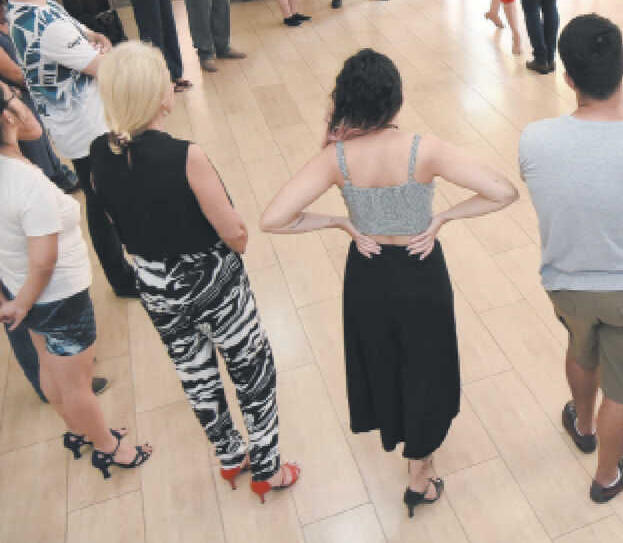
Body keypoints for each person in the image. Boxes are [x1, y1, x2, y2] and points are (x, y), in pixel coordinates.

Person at [260, 48, 518, 517]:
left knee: (384, 359)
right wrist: (442, 218)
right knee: (426, 366)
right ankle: (421, 472)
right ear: (394, 101)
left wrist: (339, 223)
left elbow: (273, 219)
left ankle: (404, 442)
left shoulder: (336, 158)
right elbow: (503, 191)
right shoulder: (425, 148)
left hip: (369, 272)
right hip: (420, 269)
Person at [89, 41, 299, 501]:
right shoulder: (186, 156)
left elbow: (109, 220)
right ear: (156, 95)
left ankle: (230, 458)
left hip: (156, 285)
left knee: (195, 373)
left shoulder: (97, 155)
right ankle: (268, 469)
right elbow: (236, 234)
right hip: (214, 284)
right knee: (251, 371)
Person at [519, 14, 623, 503]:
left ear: (568, 78)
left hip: (565, 283)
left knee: (580, 347)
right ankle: (607, 475)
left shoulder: (534, 139)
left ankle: (584, 424)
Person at [0, 80, 151, 479]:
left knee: (50, 370)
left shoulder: (14, 171)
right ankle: (108, 446)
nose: (24, 103)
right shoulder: (26, 184)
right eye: (15, 98)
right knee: (77, 382)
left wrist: (17, 301)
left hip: (25, 291)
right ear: (7, 118)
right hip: (57, 297)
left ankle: (78, 431)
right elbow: (45, 259)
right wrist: (23, 302)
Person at [1, 0, 138, 299]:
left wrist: (96, 36)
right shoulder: (47, 27)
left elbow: (87, 34)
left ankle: (125, 268)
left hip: (76, 121)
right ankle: (122, 277)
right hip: (86, 127)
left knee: (103, 196)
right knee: (103, 200)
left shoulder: (27, 6)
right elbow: (102, 66)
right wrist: (106, 51)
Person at [0, 0, 76, 193]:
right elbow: (14, 73)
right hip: (16, 92)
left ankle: (57, 173)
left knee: (43, 137)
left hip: (30, 86)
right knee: (34, 141)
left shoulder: (9, 21)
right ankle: (48, 180)